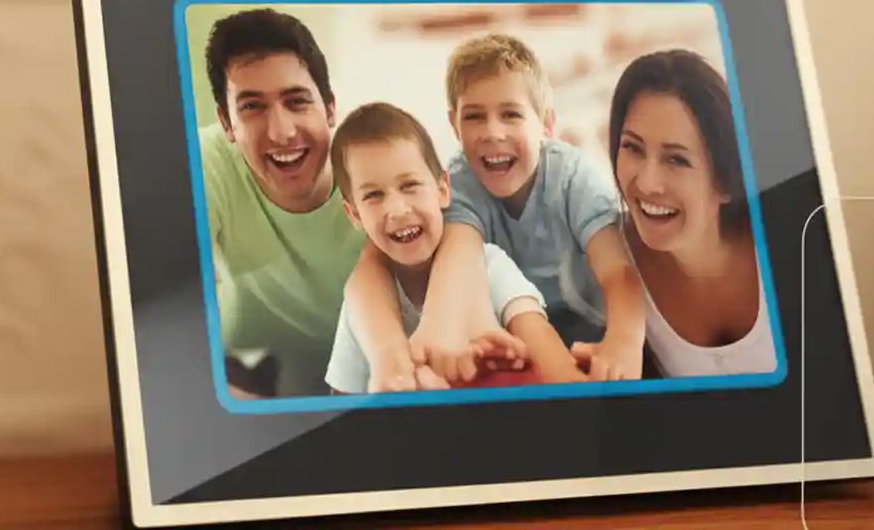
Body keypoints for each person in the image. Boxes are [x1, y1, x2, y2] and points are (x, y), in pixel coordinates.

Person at [343, 33, 647, 387]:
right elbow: (460, 250)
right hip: (516, 336)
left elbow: (617, 270)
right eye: (474, 117)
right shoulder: (458, 184)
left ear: (546, 123)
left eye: (510, 114)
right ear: (454, 125)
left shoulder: (572, 176)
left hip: (593, 327)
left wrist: (624, 344)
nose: (493, 132)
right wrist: (438, 328)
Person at [323, 102, 587, 393]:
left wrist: (510, 360)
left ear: (443, 189)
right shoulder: (363, 304)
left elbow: (547, 353)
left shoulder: (489, 265)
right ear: (355, 214)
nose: (397, 210)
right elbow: (342, 401)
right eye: (374, 195)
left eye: (410, 185)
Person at [199, 8, 393, 397]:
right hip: (250, 365)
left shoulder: (380, 162)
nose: (281, 132)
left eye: (297, 101)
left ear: (330, 108)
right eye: (252, 107)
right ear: (227, 123)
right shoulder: (204, 162)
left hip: (369, 369)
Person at [588, 49, 777, 377]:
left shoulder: (785, 243)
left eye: (676, 159)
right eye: (632, 147)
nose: (647, 183)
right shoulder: (608, 257)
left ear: (726, 180)